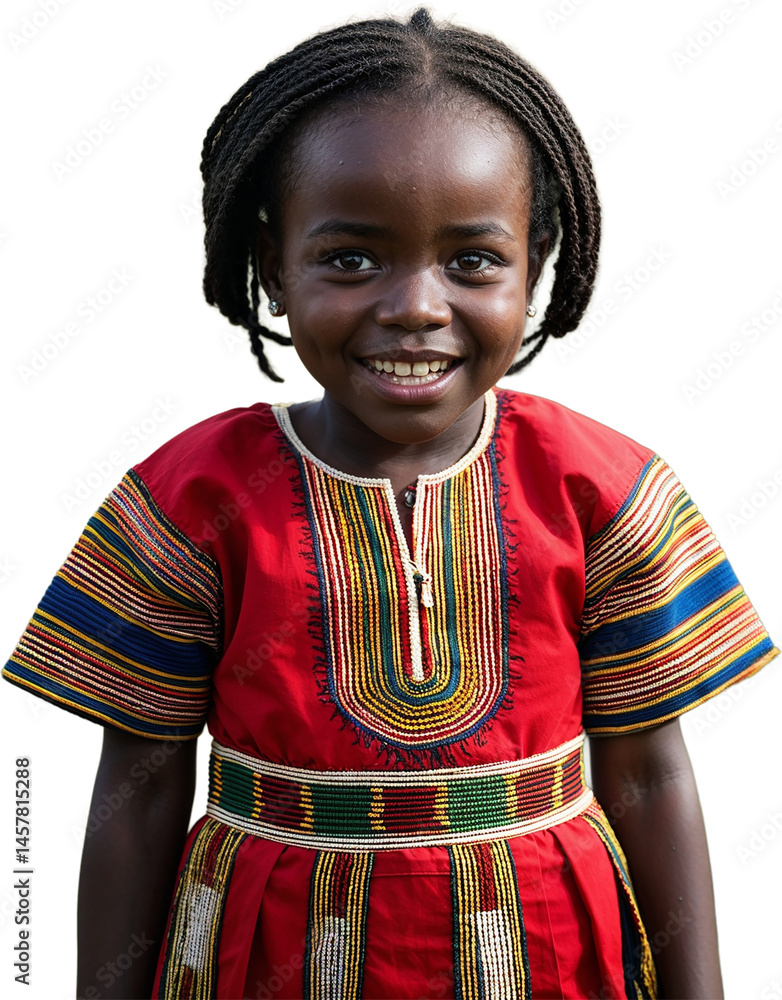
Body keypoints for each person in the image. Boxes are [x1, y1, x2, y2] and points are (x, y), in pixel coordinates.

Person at [3, 8, 778, 999]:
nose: (415, 305)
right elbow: (140, 789)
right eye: (352, 258)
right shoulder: (188, 498)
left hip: (545, 961)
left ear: (537, 264)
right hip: (266, 963)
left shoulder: (603, 488)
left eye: (472, 260)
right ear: (270, 265)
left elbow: (648, 773)